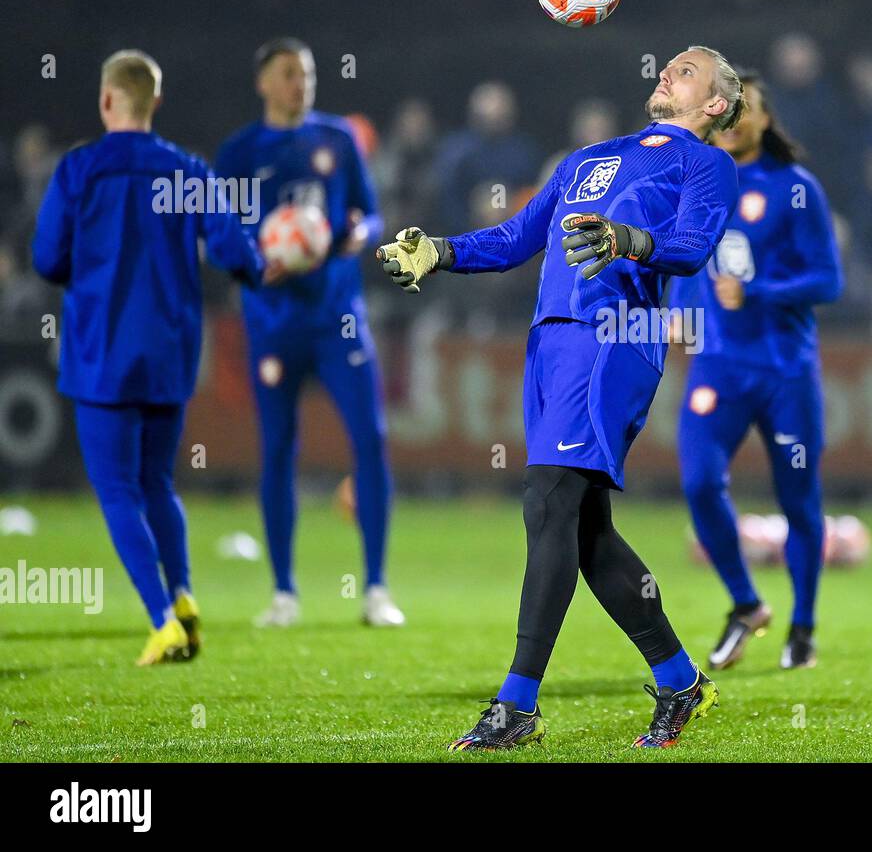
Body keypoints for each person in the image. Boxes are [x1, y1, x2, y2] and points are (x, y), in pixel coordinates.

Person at [377, 45, 744, 750]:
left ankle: (516, 707)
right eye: (669, 65)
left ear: (715, 105)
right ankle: (680, 681)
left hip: (613, 338)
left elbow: (693, 247)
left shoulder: (704, 162)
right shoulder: (585, 158)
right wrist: (440, 252)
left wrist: (627, 239)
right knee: (584, 532)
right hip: (550, 342)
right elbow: (518, 238)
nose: (668, 72)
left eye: (688, 71)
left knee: (548, 502)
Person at [32, 50, 264, 664]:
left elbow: (47, 260)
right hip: (169, 351)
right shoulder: (186, 170)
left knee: (116, 490)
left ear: (108, 100)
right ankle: (184, 596)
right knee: (158, 482)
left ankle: (162, 620)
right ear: (154, 101)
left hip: (101, 350)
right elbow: (235, 252)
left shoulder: (78, 169)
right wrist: (268, 264)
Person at [215, 38, 403, 628]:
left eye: (309, 73)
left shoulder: (338, 139)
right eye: (290, 74)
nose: (303, 83)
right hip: (272, 321)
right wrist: (253, 262)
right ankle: (284, 593)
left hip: (337, 317)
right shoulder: (241, 151)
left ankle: (375, 589)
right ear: (263, 83)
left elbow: (373, 215)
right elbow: (217, 234)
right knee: (277, 448)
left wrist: (357, 235)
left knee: (370, 438)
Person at [671, 72, 841, 670]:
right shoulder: (698, 181)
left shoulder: (797, 188)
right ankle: (746, 603)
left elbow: (829, 280)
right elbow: (686, 263)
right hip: (719, 366)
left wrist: (760, 290)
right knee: (697, 483)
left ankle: (804, 626)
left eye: (751, 109)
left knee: (799, 500)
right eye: (730, 108)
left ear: (766, 120)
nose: (739, 118)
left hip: (785, 372)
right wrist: (679, 315)